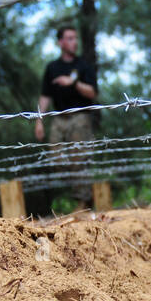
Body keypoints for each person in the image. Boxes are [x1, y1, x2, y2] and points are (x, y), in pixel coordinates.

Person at [35, 25, 98, 206]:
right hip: (58, 118)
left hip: (80, 117)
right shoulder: (52, 67)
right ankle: (84, 193)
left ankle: (82, 203)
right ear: (60, 42)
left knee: (79, 160)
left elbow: (92, 93)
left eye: (75, 38)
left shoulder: (84, 66)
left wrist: (74, 83)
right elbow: (45, 96)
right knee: (56, 159)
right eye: (70, 38)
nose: (74, 42)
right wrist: (39, 121)